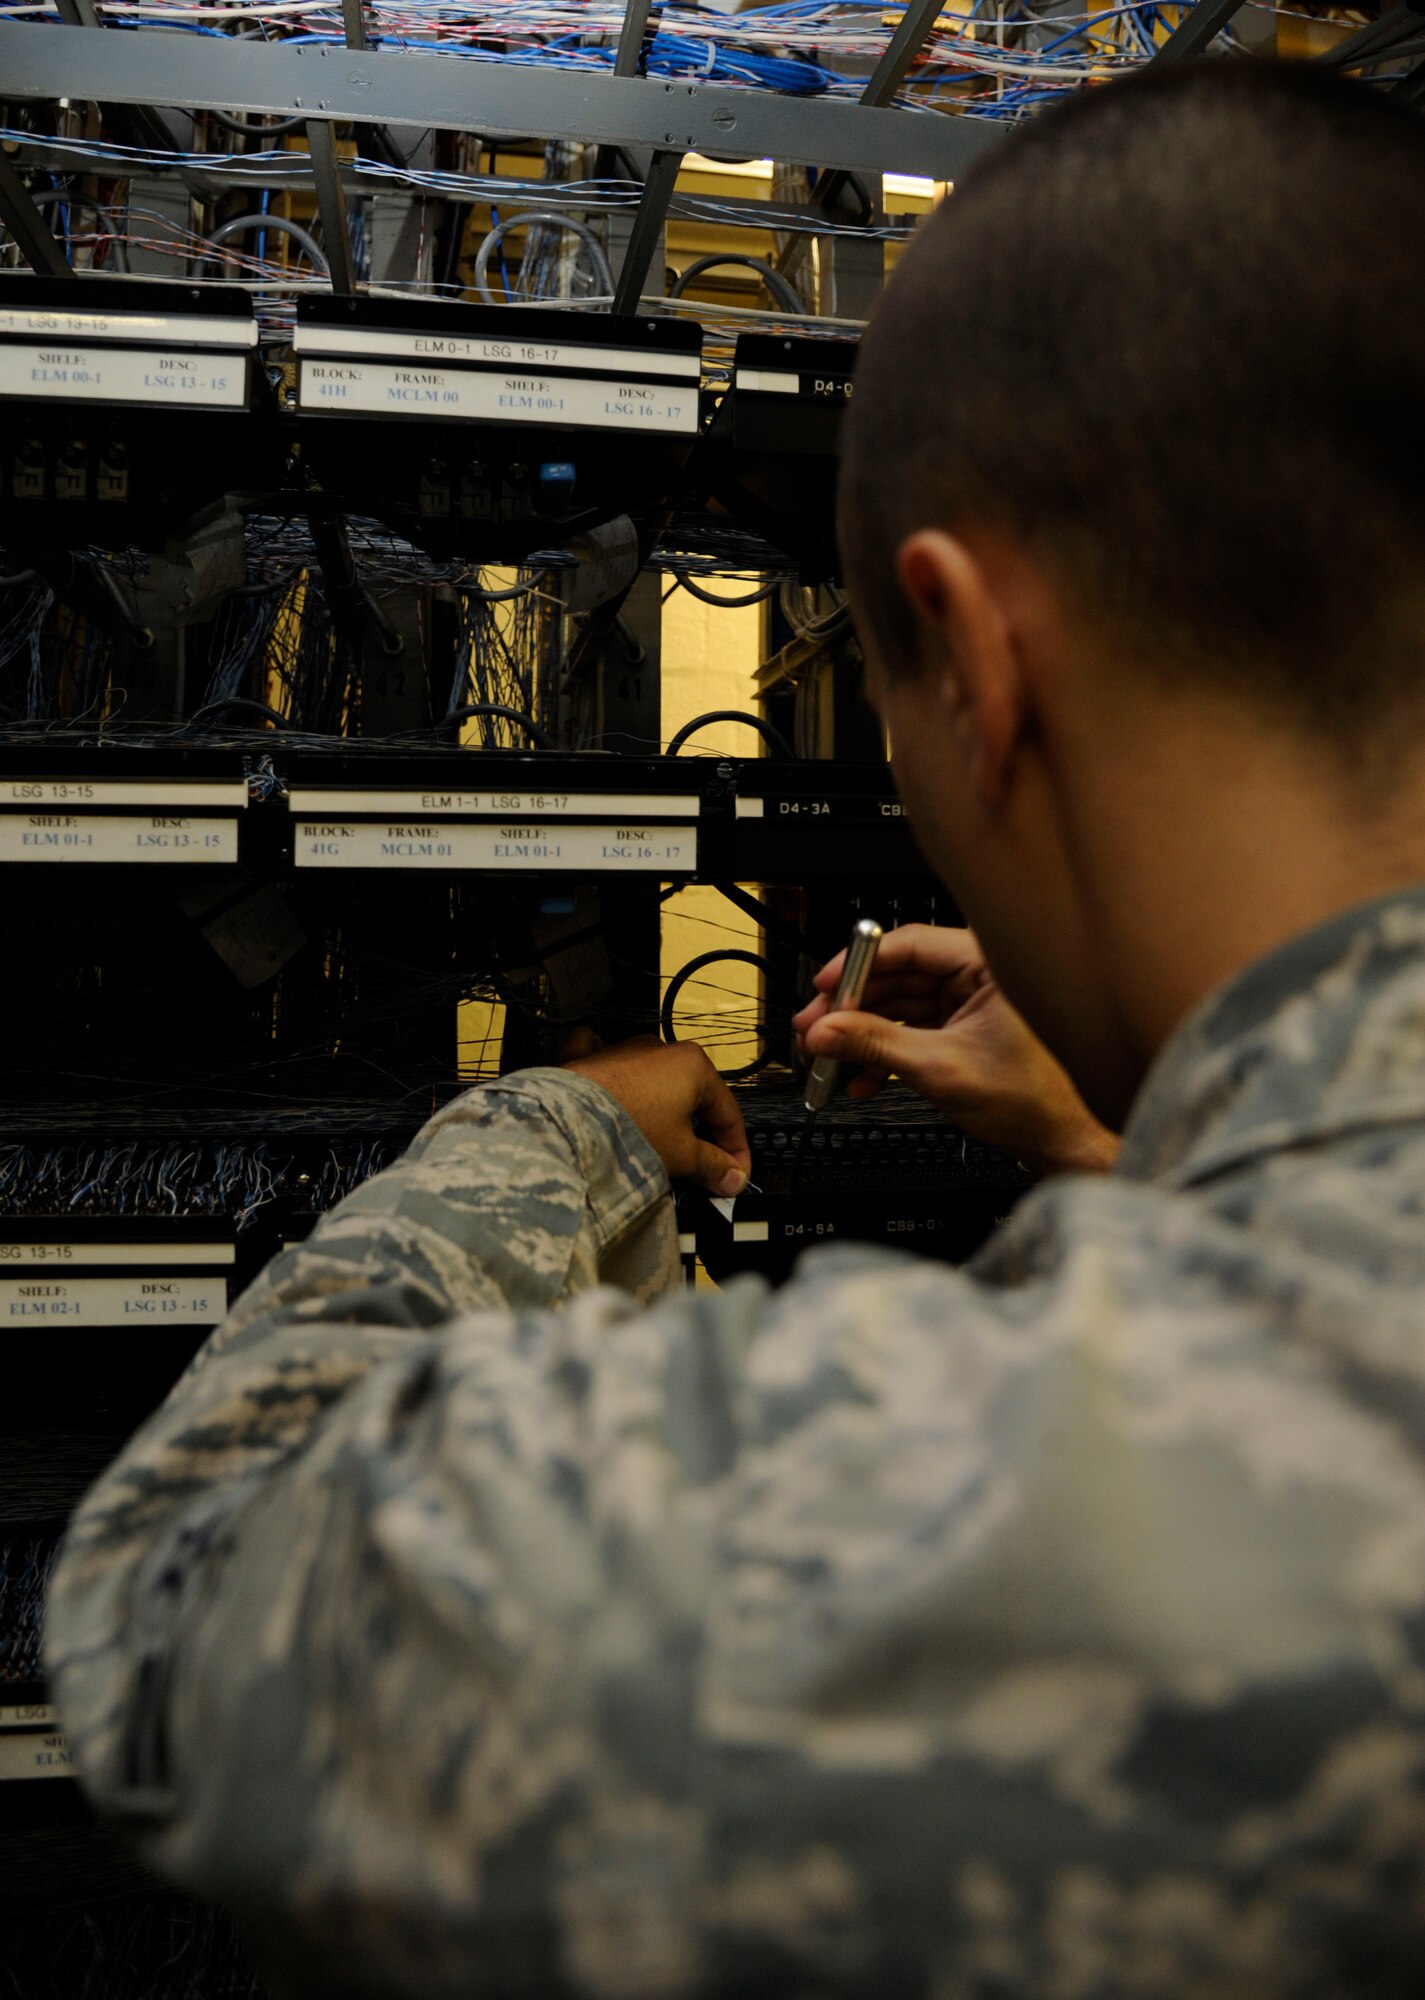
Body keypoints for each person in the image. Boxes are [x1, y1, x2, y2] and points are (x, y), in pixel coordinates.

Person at [46, 57, 1425, 2000]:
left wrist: (553, 1137)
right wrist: (1156, 1129)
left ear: (967, 656)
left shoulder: (981, 1500)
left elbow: (181, 1591)